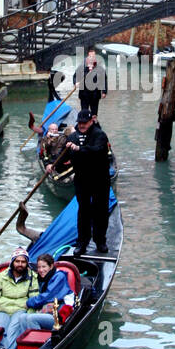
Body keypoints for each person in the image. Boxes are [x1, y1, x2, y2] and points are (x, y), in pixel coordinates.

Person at [48, 106, 111, 255]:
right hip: (82, 181)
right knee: (83, 212)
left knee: (100, 211)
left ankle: (100, 241)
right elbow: (64, 155)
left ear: (91, 121)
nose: (82, 125)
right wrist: (52, 165)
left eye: (85, 122)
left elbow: (96, 151)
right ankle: (82, 243)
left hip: (100, 181)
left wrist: (79, 149)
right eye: (80, 122)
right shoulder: (72, 137)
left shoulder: (100, 135)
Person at [2, 253, 74, 349]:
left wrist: (29, 302)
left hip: (58, 316)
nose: (41, 270)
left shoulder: (59, 276)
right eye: (39, 267)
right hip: (46, 312)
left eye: (44, 267)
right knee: (23, 317)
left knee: (31, 318)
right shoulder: (41, 278)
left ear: (51, 266)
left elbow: (48, 296)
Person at [0, 248, 38, 349]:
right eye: (17, 261)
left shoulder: (32, 277)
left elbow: (33, 299)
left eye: (23, 262)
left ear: (27, 263)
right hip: (2, 309)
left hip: (20, 309)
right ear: (12, 262)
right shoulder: (1, 276)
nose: (20, 264)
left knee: (13, 329)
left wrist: (28, 317)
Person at [75, 48, 107, 116]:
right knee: (84, 113)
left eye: (93, 56)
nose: (92, 58)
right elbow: (75, 76)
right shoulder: (81, 67)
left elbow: (104, 79)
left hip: (95, 95)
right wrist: (76, 82)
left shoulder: (100, 68)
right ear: (88, 57)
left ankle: (93, 123)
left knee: (94, 114)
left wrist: (104, 92)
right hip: (84, 94)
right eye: (90, 56)